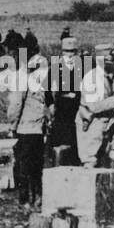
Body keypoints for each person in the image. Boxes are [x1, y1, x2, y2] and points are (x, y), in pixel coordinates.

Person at [8, 53, 51, 209]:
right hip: (35, 130)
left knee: (26, 166)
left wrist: (12, 126)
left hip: (27, 129)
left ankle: (26, 199)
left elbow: (15, 106)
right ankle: (34, 197)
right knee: (34, 166)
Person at [78, 44, 114, 169]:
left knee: (113, 158)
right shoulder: (91, 78)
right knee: (90, 163)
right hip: (91, 126)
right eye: (110, 59)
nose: (113, 63)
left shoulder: (110, 77)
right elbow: (94, 107)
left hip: (106, 126)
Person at [46, 37, 82, 165]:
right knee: (60, 139)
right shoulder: (56, 68)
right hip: (61, 109)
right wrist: (50, 104)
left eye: (73, 52)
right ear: (62, 52)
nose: (70, 55)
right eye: (67, 52)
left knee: (76, 138)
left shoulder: (81, 67)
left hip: (77, 109)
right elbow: (46, 88)